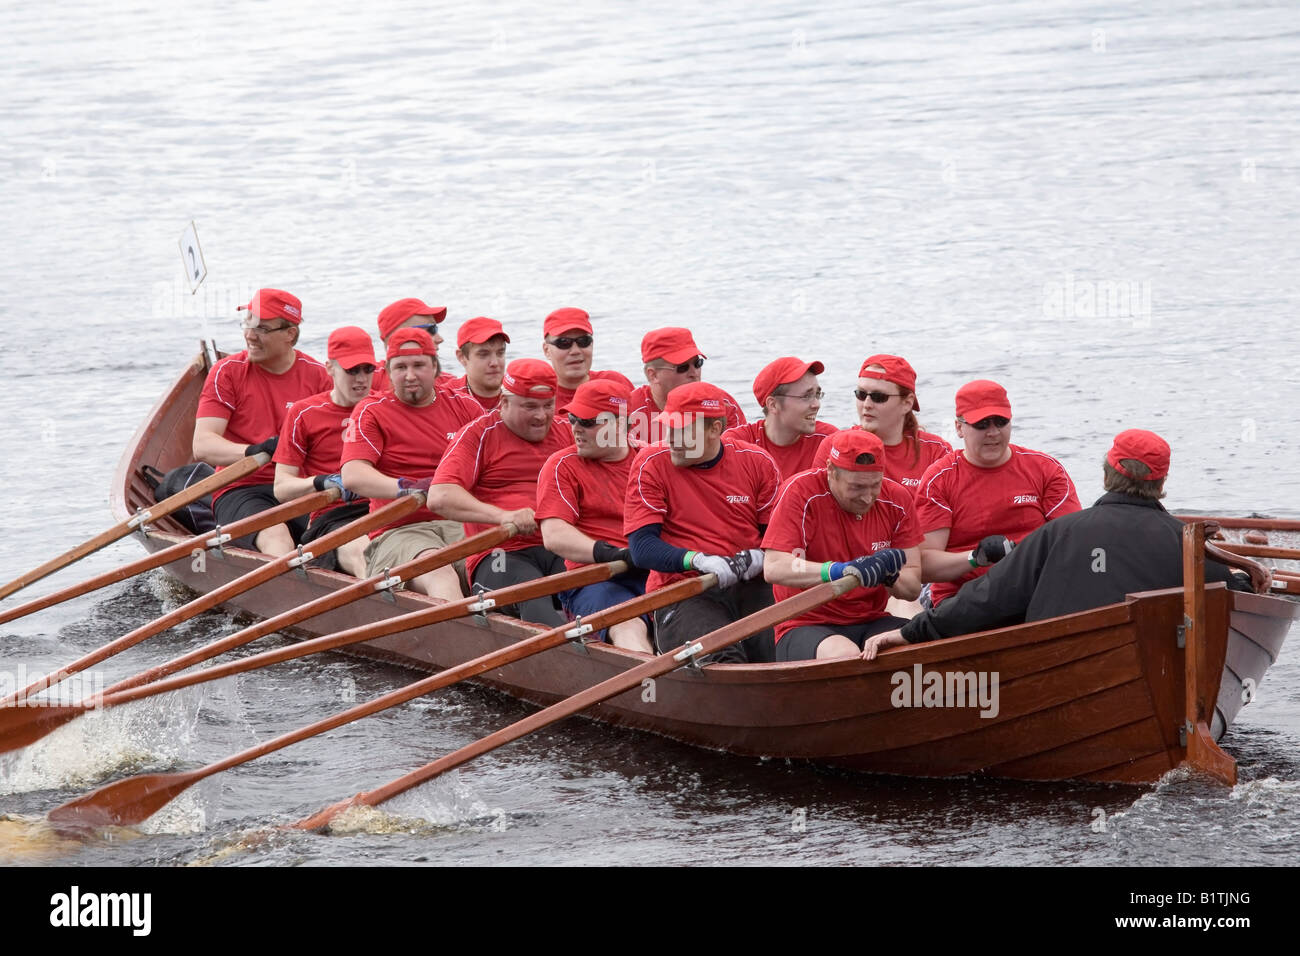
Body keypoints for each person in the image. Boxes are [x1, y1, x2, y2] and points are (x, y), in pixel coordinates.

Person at [863, 429, 1254, 658]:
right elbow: (1234, 593)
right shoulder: (1183, 543)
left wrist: (911, 632)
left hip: (1059, 662)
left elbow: (986, 598)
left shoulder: (1057, 534)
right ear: (1162, 483)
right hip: (1148, 663)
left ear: (1106, 475)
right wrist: (1247, 578)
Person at [625, 382, 781, 663]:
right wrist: (697, 560)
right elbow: (642, 548)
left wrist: (759, 557)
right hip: (684, 590)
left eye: (682, 431)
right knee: (723, 659)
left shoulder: (757, 462)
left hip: (750, 584)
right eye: (668, 428)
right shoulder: (651, 463)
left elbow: (777, 539)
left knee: (781, 648)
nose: (671, 439)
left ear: (715, 429)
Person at [339, 327, 484, 601]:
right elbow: (353, 475)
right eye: (400, 367)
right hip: (400, 530)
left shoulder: (466, 407)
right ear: (387, 371)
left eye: (418, 365)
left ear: (435, 367)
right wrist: (408, 487)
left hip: (461, 523)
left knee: (502, 567)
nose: (410, 375)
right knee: (440, 572)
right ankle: (455, 627)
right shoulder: (371, 411)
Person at [427, 359, 575, 624]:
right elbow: (440, 496)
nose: (541, 416)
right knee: (532, 594)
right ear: (504, 402)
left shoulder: (568, 432)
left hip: (559, 546)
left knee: (591, 589)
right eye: (530, 406)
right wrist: (504, 516)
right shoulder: (479, 434)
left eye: (548, 405)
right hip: (500, 552)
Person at [915, 379, 1081, 607]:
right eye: (982, 424)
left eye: (1001, 422)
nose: (993, 433)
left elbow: (1073, 541)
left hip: (1034, 590)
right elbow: (924, 565)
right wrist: (976, 558)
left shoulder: (1046, 469)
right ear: (959, 428)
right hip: (963, 596)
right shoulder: (939, 480)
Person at [193, 288, 331, 554]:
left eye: (262, 328)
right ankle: (284, 575)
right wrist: (254, 450)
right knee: (277, 537)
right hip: (242, 487)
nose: (249, 335)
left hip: (298, 487)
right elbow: (202, 445)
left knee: (341, 537)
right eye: (247, 324)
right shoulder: (227, 372)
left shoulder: (319, 378)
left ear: (290, 334)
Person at [762, 430, 922, 661]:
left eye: (875, 485)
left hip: (871, 619)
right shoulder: (800, 492)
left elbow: (913, 588)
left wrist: (889, 574)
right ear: (831, 471)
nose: (867, 497)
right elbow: (775, 567)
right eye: (856, 487)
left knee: (918, 642)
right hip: (805, 622)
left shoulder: (897, 499)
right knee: (846, 655)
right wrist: (839, 570)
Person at [536, 379, 652, 653]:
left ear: (621, 424)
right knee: (628, 624)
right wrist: (614, 554)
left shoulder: (651, 459)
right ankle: (649, 673)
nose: (576, 428)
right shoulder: (562, 465)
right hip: (596, 578)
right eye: (573, 419)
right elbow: (554, 535)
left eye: (588, 422)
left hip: (655, 572)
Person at [271, 325, 377, 576]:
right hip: (334, 517)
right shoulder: (304, 413)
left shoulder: (384, 407)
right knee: (367, 554)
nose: (361, 379)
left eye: (368, 369)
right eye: (352, 370)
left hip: (383, 509)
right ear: (330, 368)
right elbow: (281, 488)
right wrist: (321, 482)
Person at [813, 354, 951, 490]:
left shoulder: (936, 452)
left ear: (907, 403)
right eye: (861, 394)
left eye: (878, 397)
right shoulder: (833, 446)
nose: (867, 404)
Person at [724, 357, 838, 481]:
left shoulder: (830, 440)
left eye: (817, 395)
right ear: (773, 405)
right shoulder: (736, 445)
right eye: (806, 396)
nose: (816, 404)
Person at [627, 327, 746, 446]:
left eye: (697, 363)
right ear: (653, 375)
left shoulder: (722, 404)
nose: (694, 373)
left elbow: (737, 453)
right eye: (682, 367)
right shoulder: (628, 412)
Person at [540, 307, 634, 408]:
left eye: (583, 341)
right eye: (564, 343)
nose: (575, 351)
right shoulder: (538, 399)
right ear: (546, 350)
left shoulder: (616, 383)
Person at [371, 297, 455, 392]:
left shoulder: (450, 384)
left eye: (436, 329)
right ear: (397, 335)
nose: (440, 339)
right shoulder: (367, 378)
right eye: (431, 330)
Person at [447, 317, 510, 411]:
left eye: (500, 353)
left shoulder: (520, 395)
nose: (494, 363)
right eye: (483, 354)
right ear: (462, 357)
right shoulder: (446, 398)